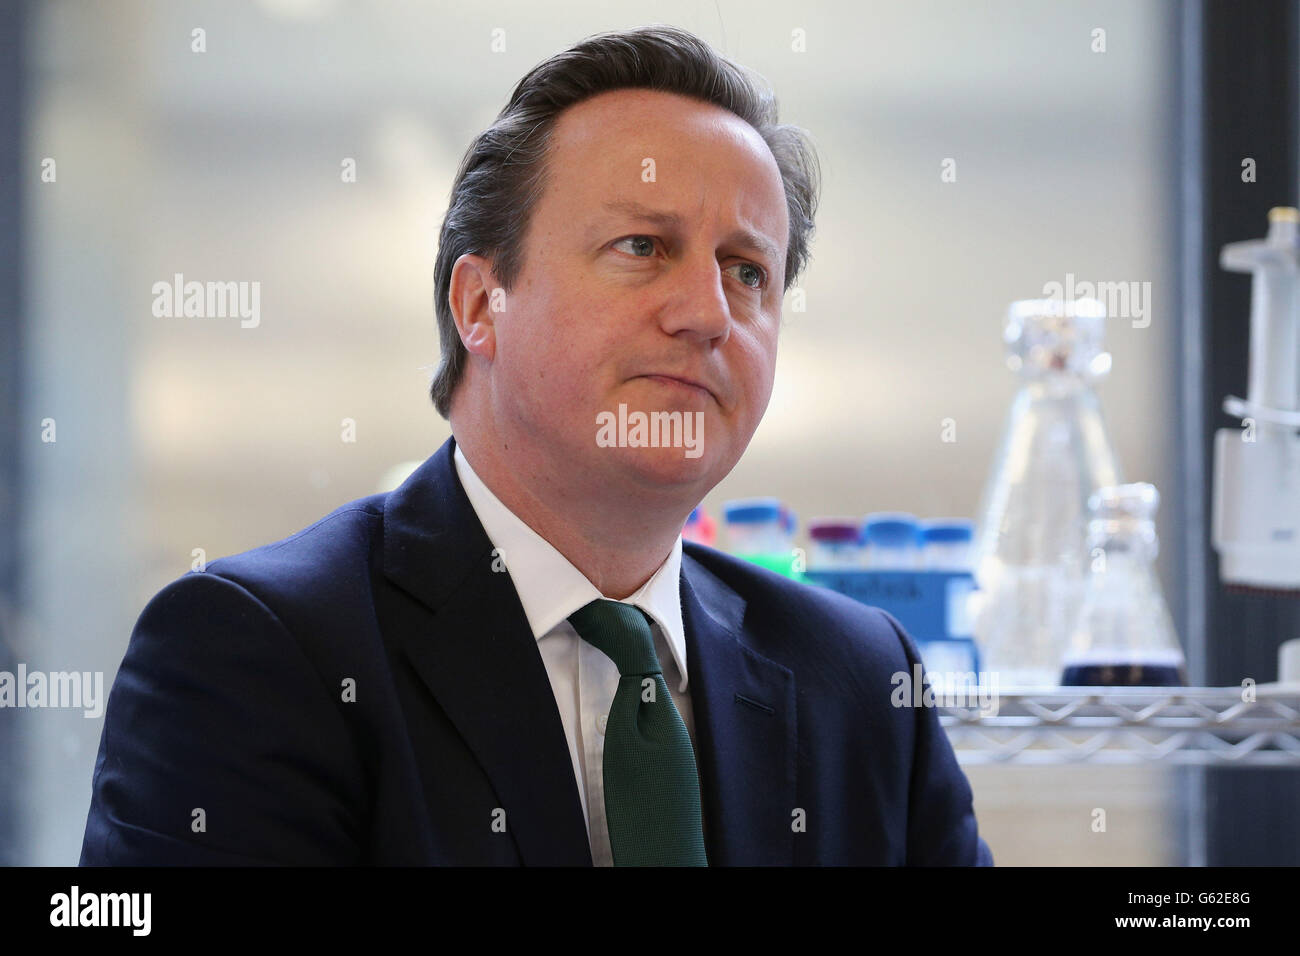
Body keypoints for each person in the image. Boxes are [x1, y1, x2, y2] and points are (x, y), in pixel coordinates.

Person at [80, 24, 992, 866]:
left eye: (746, 271)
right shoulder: (261, 651)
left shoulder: (862, 680)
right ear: (481, 305)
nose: (708, 314)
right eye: (642, 246)